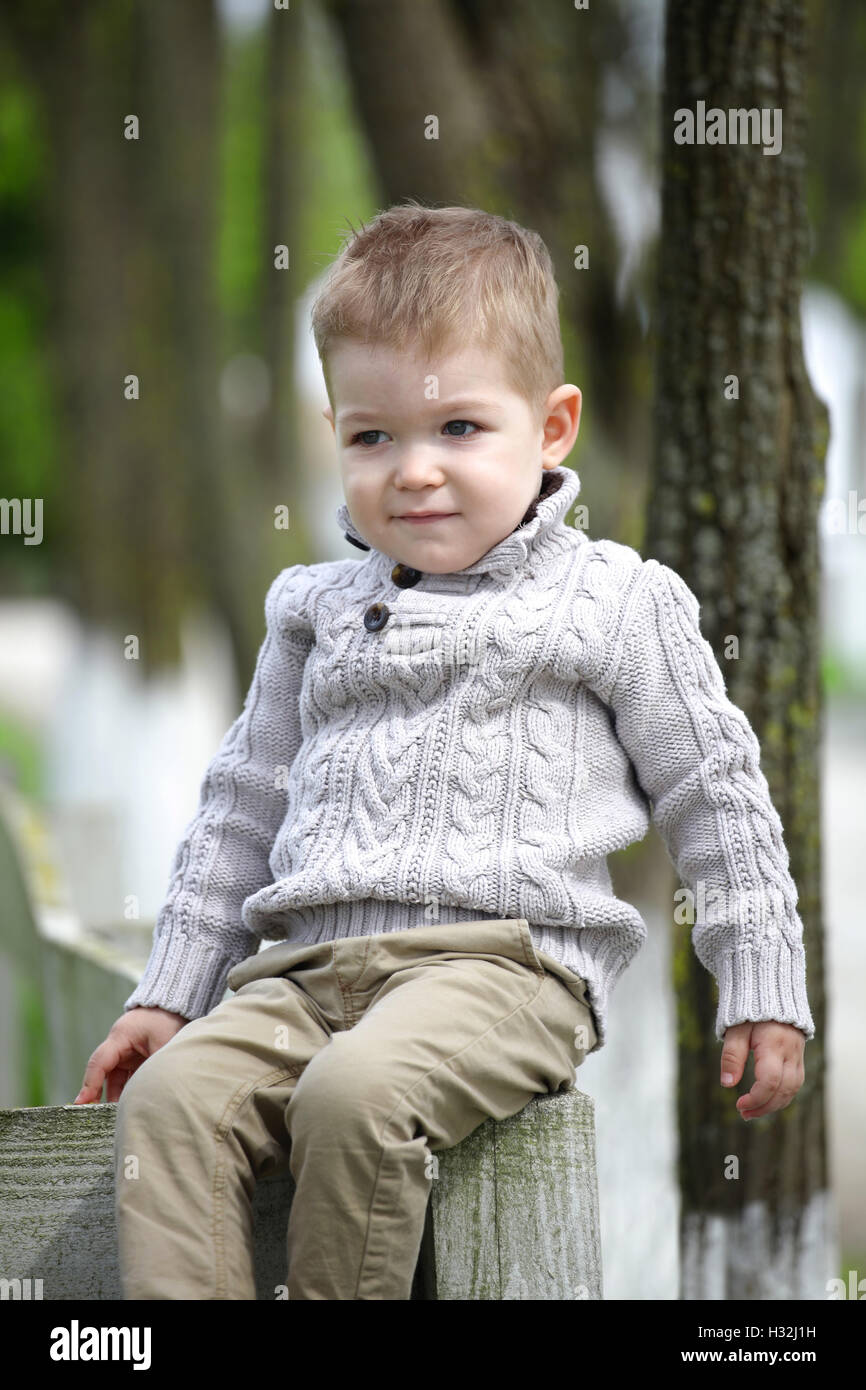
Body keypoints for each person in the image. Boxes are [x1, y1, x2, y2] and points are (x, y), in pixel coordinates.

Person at [73, 201, 815, 1300]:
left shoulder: (612, 599)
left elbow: (712, 792)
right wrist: (169, 995)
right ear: (333, 433)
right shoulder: (311, 609)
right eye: (372, 436)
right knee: (172, 1106)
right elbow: (240, 808)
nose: (412, 470)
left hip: (504, 969)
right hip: (300, 978)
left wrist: (759, 983)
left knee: (354, 1095)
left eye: (458, 429)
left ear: (550, 425)